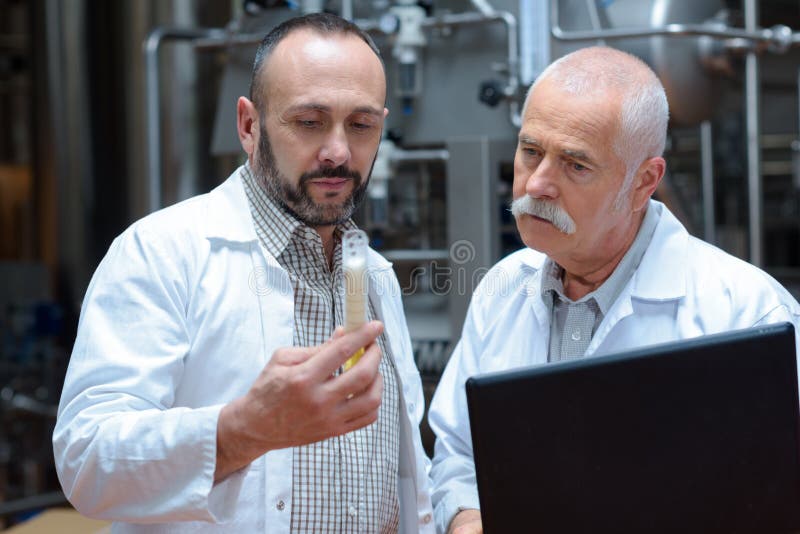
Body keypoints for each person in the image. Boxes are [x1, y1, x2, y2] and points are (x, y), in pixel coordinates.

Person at [53, 13, 435, 533]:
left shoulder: (373, 275)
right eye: (309, 121)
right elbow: (86, 459)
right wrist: (242, 431)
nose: (339, 151)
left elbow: (405, 476)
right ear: (249, 126)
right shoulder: (162, 252)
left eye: (361, 125)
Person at [428, 45, 800, 534]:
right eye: (530, 151)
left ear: (644, 182)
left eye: (575, 165)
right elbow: (458, 450)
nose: (537, 184)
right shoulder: (502, 287)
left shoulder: (749, 315)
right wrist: (467, 519)